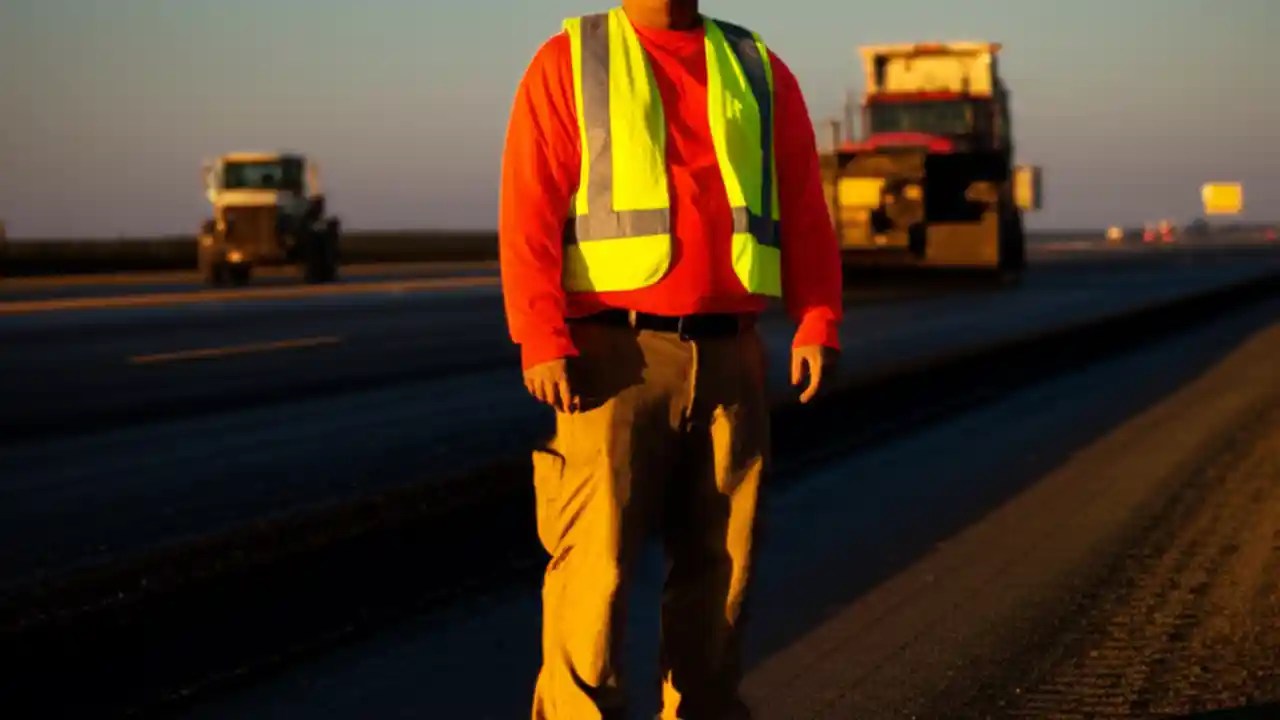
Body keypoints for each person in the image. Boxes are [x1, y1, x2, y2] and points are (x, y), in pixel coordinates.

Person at [498, 0, 843, 717]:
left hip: (731, 357)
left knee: (722, 573)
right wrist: (541, 335)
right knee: (595, 573)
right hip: (611, 359)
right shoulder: (570, 61)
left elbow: (803, 201)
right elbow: (529, 204)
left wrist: (816, 319)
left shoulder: (757, 68)